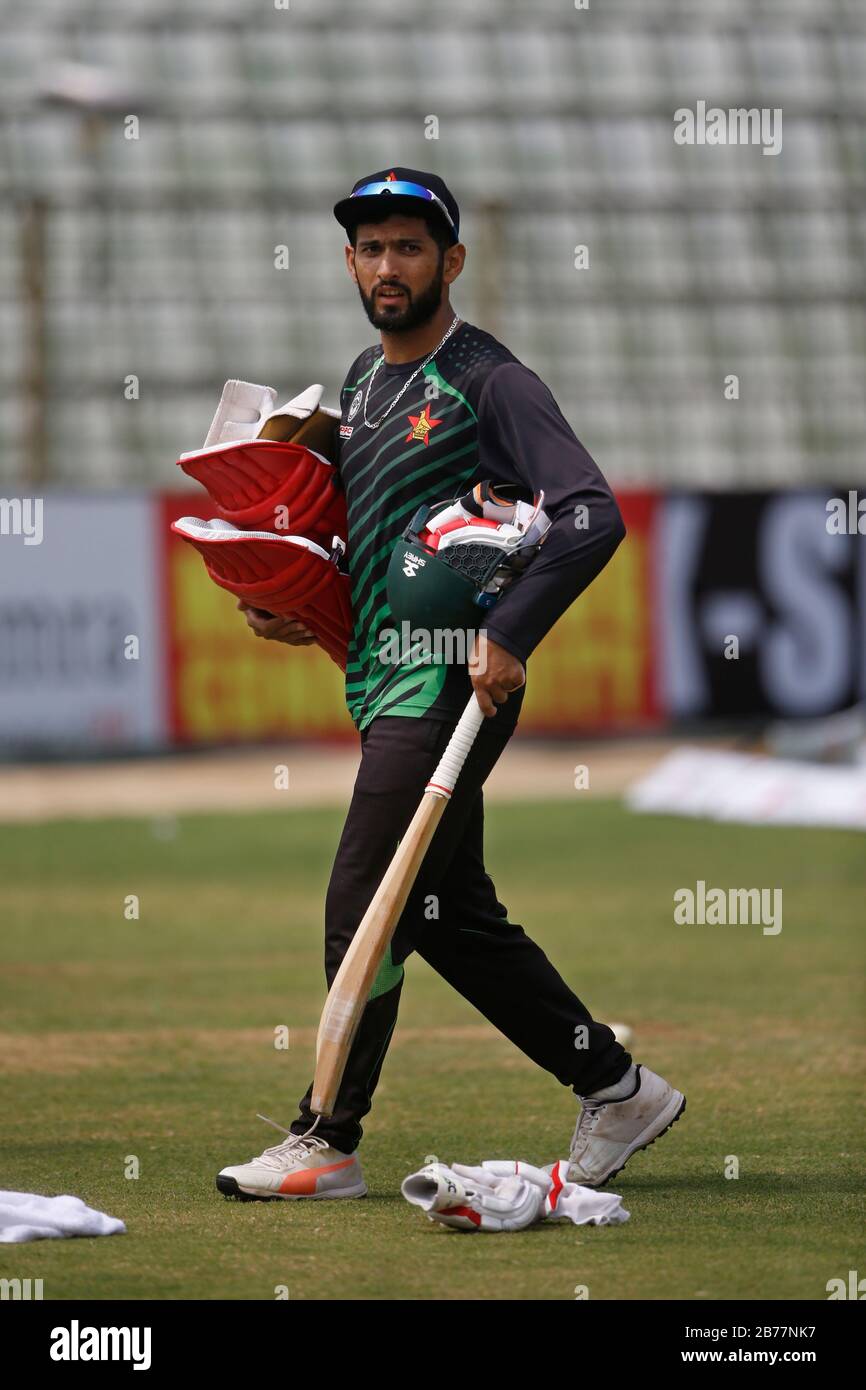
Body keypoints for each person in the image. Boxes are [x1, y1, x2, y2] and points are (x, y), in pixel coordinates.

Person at [217, 168, 685, 1201]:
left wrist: (510, 631)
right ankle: (615, 1085)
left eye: (410, 247)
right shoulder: (363, 383)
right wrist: (299, 608)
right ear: (349, 263)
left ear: (451, 262)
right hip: (381, 680)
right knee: (439, 910)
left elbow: (588, 513)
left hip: (449, 687)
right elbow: (368, 549)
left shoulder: (489, 380)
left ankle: (326, 1135)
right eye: (371, 248)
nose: (389, 266)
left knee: (365, 894)